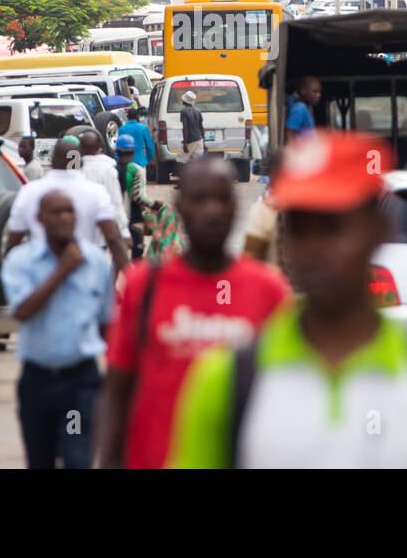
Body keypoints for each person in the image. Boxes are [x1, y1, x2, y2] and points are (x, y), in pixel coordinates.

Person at [165, 130, 407, 468]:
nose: (313, 247)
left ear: (379, 229)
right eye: (298, 227)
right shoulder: (222, 383)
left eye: (332, 227)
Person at [97, 158, 291, 469]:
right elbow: (118, 388)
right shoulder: (143, 286)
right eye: (200, 199)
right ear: (180, 207)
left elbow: (287, 397)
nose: (211, 210)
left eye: (222, 198)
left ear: (235, 207)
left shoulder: (270, 291)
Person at [2, 190, 114, 469]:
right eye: (56, 212)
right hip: (37, 383)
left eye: (70, 211)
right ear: (40, 218)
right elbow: (23, 311)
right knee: (40, 461)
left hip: (79, 386)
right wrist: (63, 270)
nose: (64, 218)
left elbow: (106, 324)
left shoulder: (96, 263)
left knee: (77, 457)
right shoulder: (21, 261)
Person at [6, 138, 128, 271]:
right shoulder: (97, 193)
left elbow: (13, 242)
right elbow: (114, 240)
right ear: (79, 161)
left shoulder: (29, 191)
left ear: (52, 161)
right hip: (85, 272)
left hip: (40, 275)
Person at [78, 130, 128, 238]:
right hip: (102, 233)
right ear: (98, 147)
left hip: (79, 234)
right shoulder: (109, 168)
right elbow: (116, 201)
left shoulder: (74, 170)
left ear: (80, 149)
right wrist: (124, 232)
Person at [285, 75, 320, 144]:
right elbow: (289, 134)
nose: (319, 95)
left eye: (319, 92)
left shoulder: (304, 108)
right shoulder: (300, 108)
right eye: (315, 91)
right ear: (303, 91)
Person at [178, 90, 205, 160]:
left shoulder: (183, 111)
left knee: (180, 161)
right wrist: (203, 142)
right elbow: (201, 128)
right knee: (197, 163)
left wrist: (185, 143)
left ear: (185, 101)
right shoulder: (198, 111)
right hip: (199, 141)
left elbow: (185, 128)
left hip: (190, 141)